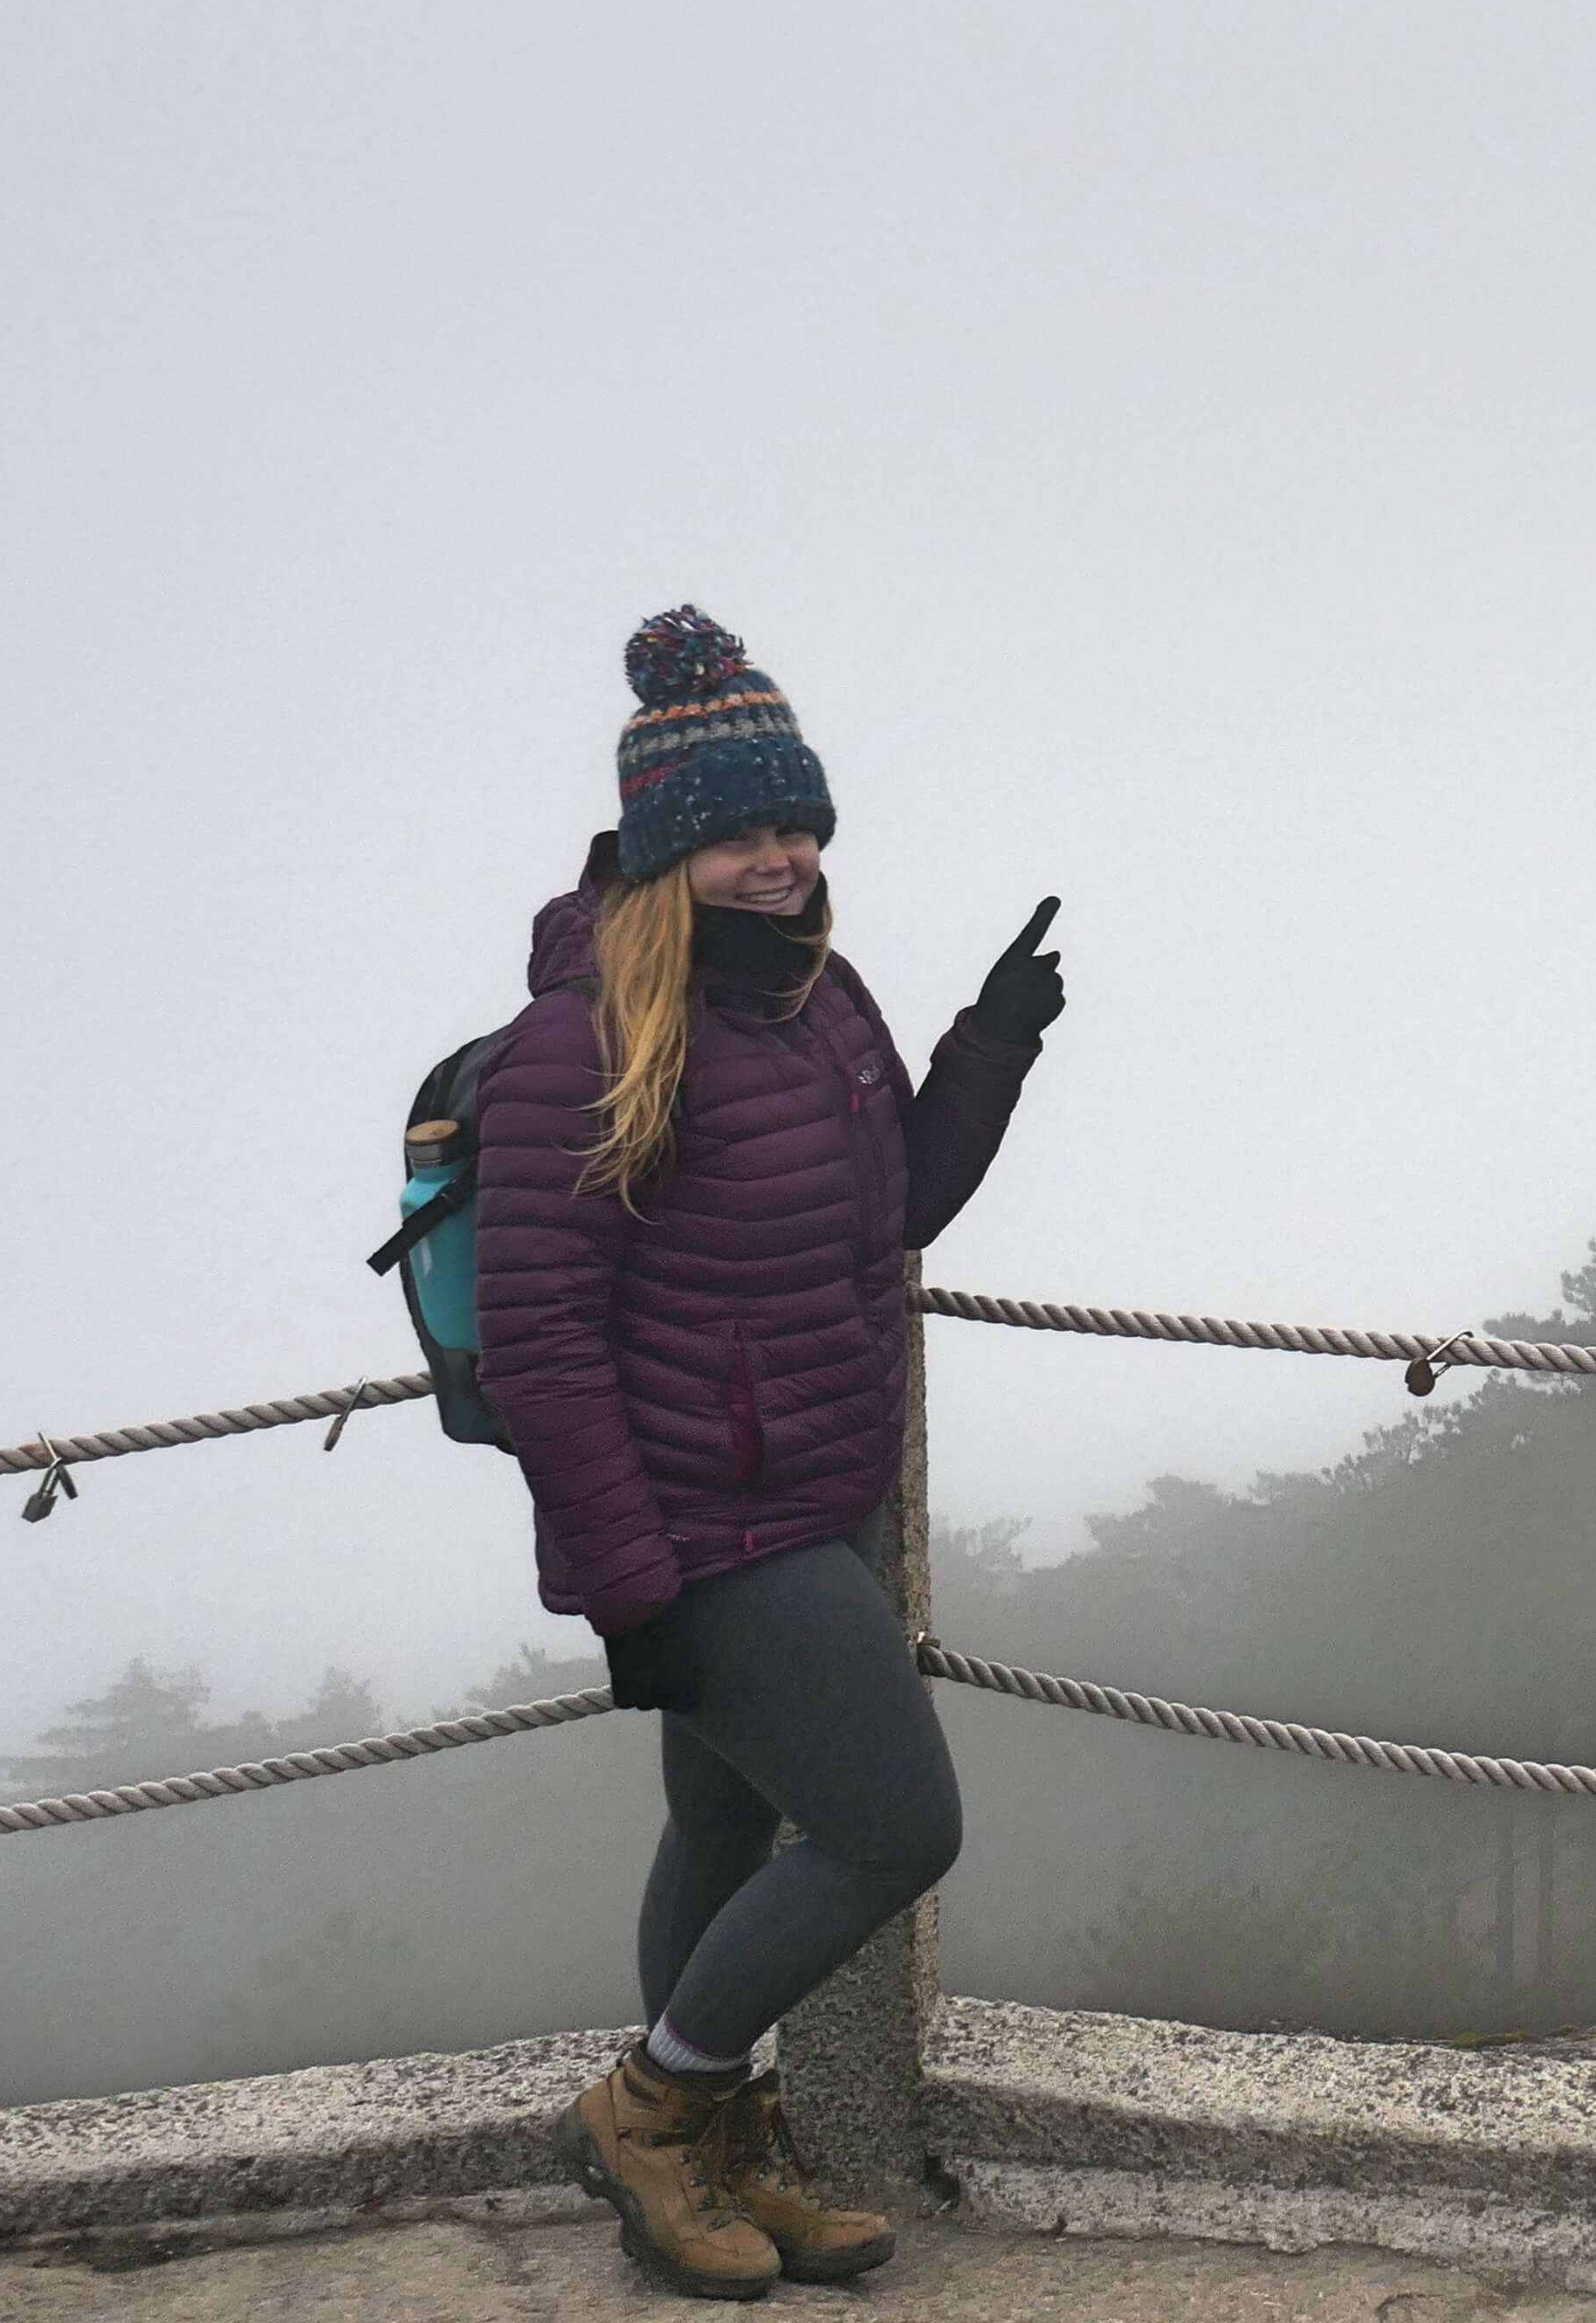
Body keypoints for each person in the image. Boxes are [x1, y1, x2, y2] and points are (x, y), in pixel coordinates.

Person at [477, 605, 1066, 2299]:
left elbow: (899, 1209)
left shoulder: (821, 1000)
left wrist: (993, 1043)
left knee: (727, 1839)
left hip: (809, 1496)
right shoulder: (576, 1044)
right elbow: (541, 1350)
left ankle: (716, 2155)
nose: (783, 857)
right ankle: (656, 2112)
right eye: (743, 832)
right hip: (703, 1540)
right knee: (895, 1826)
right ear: (668, 849)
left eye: (798, 824)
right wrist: (633, 1587)